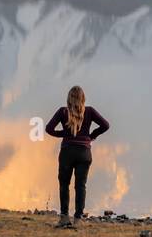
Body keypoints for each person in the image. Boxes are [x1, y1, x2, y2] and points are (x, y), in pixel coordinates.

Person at [45, 86, 110, 227]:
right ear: (83, 98)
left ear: (69, 98)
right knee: (80, 186)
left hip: (67, 152)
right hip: (84, 153)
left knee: (64, 184)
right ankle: (78, 219)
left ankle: (64, 218)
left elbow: (49, 129)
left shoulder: (62, 111)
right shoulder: (90, 111)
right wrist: (91, 136)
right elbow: (106, 125)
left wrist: (65, 134)